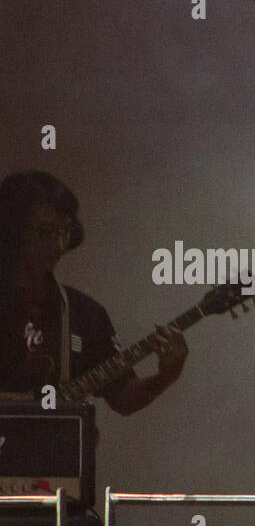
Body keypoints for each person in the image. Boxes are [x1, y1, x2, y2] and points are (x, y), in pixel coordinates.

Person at [0, 171, 187, 410]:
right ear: (13, 231)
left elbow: (123, 399)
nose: (58, 245)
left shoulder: (85, 313)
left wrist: (166, 376)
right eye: (45, 232)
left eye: (64, 232)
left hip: (61, 447)